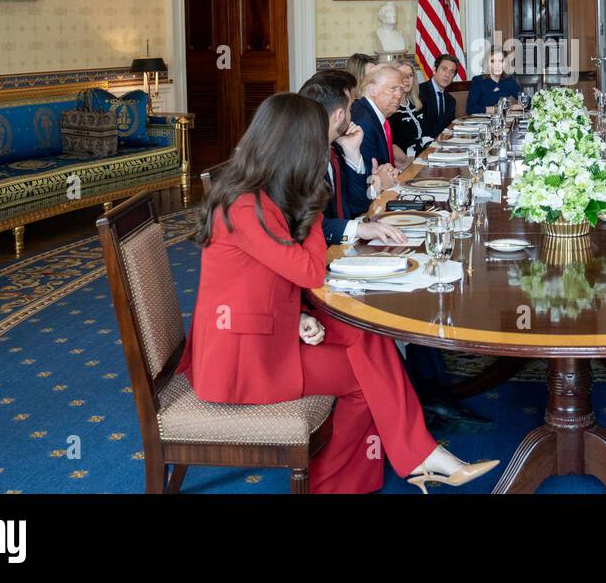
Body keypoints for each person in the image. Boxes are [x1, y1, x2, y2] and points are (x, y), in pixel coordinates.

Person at [180, 92, 497, 493]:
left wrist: (298, 316)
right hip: (241, 361)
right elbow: (311, 269)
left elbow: (260, 278)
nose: (323, 151)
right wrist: (315, 201)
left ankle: (416, 457)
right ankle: (341, 481)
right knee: (364, 381)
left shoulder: (259, 192)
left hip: (263, 332)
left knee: (365, 335)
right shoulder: (246, 206)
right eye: (318, 144)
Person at [297, 78, 405, 244]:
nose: (353, 114)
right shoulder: (301, 158)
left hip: (342, 247)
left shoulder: (336, 148)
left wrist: (352, 152)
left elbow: (357, 206)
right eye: (350, 108)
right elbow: (306, 226)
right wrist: (359, 229)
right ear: (340, 115)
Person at [351, 64, 412, 174]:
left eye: (401, 90)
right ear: (372, 89)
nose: (398, 95)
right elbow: (369, 174)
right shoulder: (363, 121)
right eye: (393, 89)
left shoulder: (374, 113)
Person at [391, 61, 432, 157]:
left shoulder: (419, 104)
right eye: (402, 75)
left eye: (410, 75)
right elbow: (392, 146)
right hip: (405, 163)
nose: (407, 80)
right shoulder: (390, 111)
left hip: (426, 155)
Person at [466, 48, 522, 115]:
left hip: (504, 122)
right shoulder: (478, 81)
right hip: (483, 122)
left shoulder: (509, 81)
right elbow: (470, 109)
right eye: (492, 61)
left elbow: (527, 101)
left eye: (501, 61)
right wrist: (496, 109)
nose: (497, 65)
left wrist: (520, 106)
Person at [418, 54, 459, 140]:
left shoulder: (451, 101)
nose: (447, 75)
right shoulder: (419, 92)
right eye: (444, 69)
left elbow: (450, 128)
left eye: (451, 72)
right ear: (434, 70)